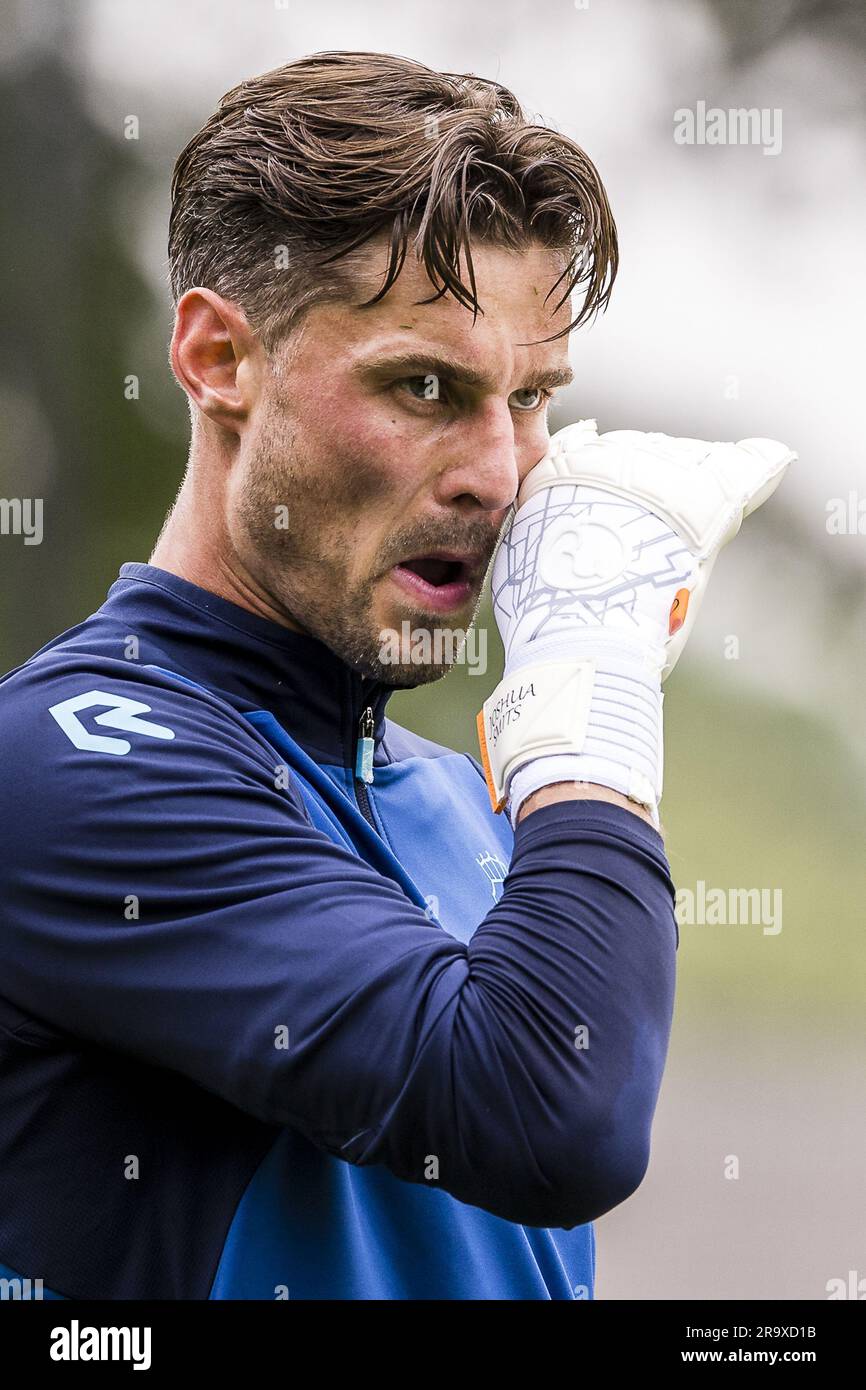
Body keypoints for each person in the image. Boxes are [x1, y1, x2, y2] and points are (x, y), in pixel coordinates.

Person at [0, 50, 792, 1300]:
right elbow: (551, 1115)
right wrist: (589, 686)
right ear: (217, 359)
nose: (501, 471)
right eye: (425, 386)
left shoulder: (470, 795)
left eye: (530, 398)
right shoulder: (61, 768)